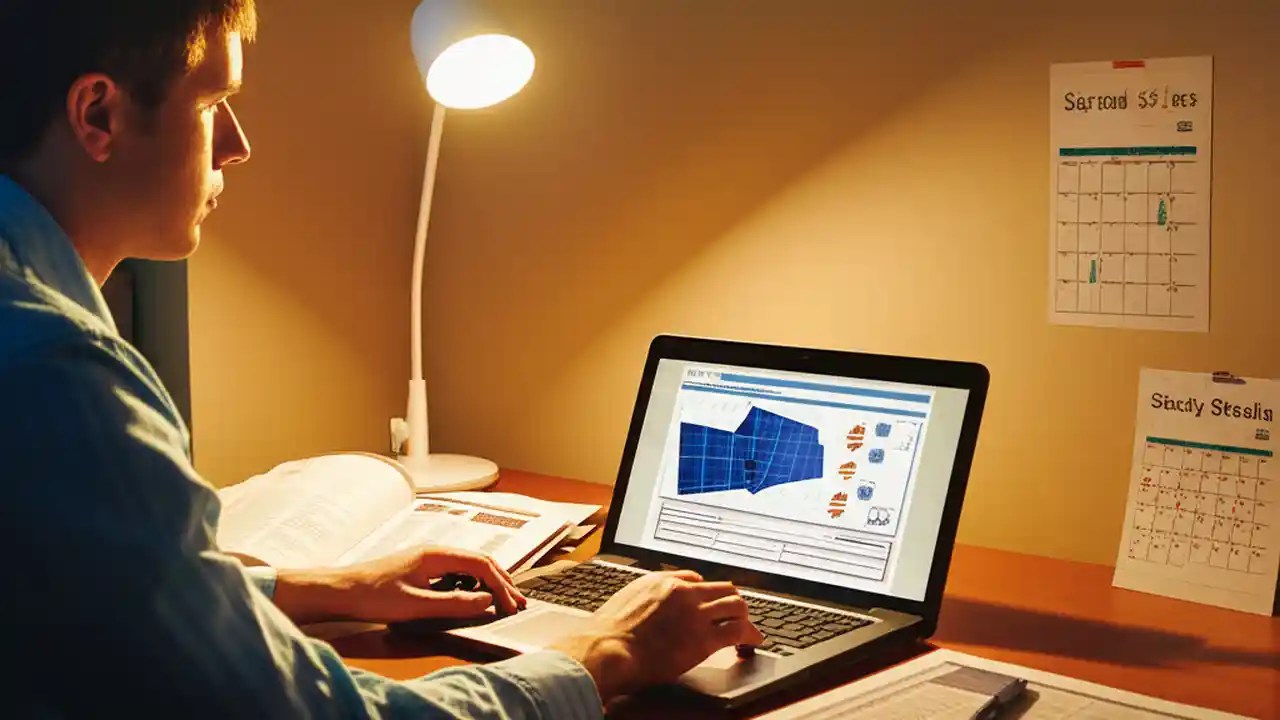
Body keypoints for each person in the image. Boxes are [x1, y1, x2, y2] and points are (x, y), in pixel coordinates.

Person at [0, 1, 764, 717]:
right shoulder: (62, 377)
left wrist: (326, 586)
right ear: (98, 114)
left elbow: (106, 591)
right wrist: (605, 651)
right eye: (210, 104)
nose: (236, 144)